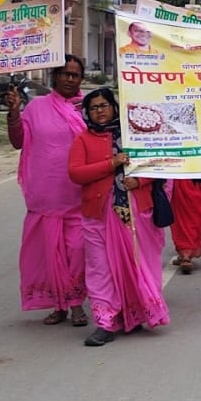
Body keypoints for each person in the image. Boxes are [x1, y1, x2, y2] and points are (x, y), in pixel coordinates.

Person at [67, 87, 170, 346]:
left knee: (139, 264)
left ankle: (134, 313)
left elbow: (159, 164)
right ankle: (105, 322)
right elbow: (76, 174)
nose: (99, 111)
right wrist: (111, 164)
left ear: (114, 107)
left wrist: (141, 181)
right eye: (93, 108)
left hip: (138, 214)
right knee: (100, 269)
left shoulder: (136, 135)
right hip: (97, 215)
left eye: (103, 105)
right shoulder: (83, 139)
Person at [6, 54, 89, 328]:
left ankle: (76, 301)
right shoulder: (36, 108)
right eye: (64, 73)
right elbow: (19, 142)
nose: (69, 78)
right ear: (55, 76)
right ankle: (61, 305)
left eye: (75, 74)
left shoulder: (88, 107)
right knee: (49, 252)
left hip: (81, 195)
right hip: (45, 196)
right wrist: (14, 113)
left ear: (81, 79)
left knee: (77, 250)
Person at [169, 179, 201, 273]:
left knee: (183, 219)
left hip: (185, 179)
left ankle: (185, 255)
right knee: (196, 217)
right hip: (198, 177)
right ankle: (185, 255)